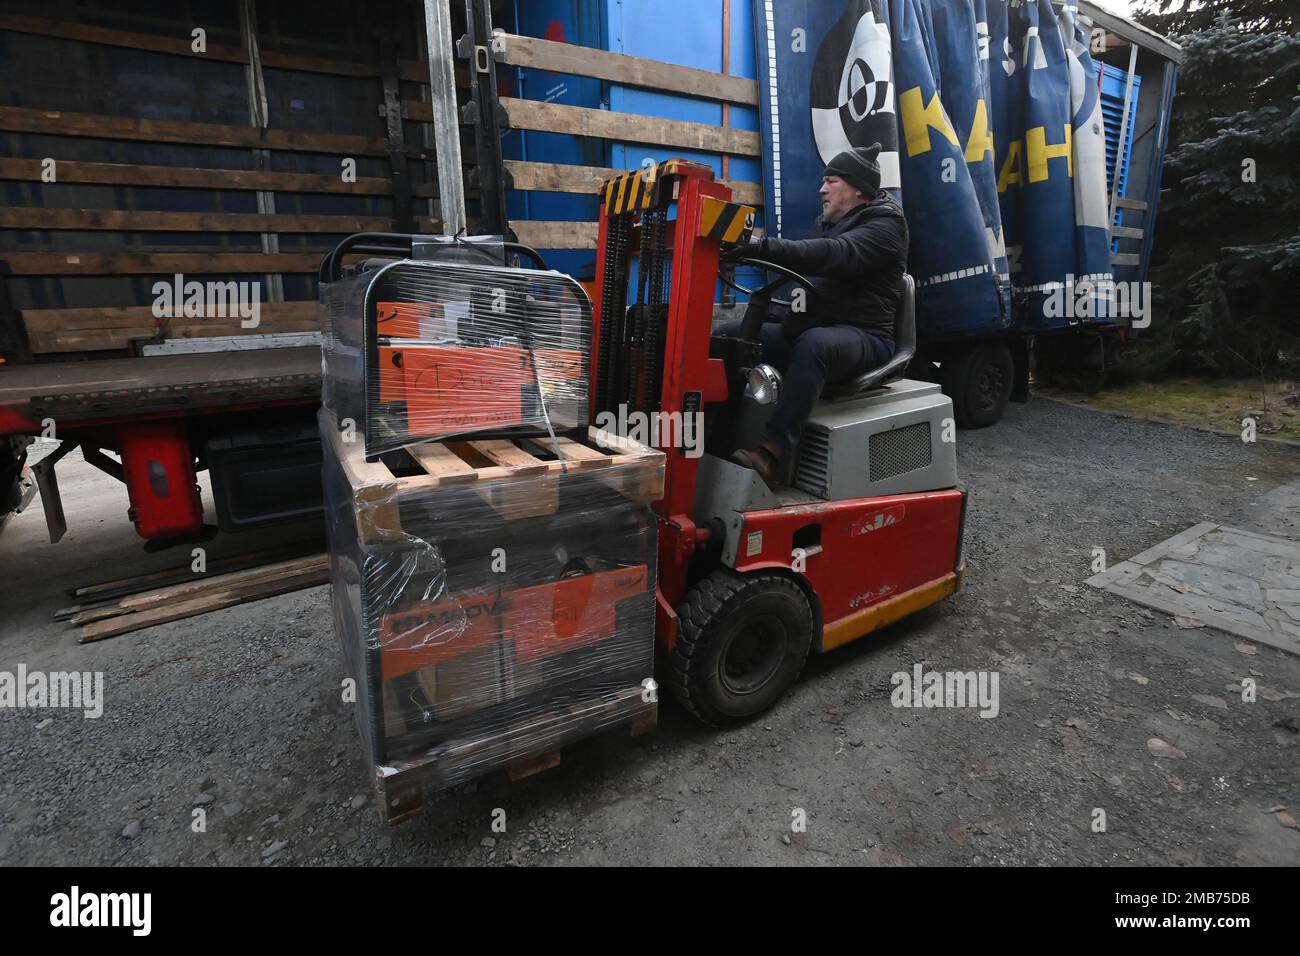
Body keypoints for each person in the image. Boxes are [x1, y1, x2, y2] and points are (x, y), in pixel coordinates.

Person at [720, 142, 908, 484]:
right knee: (732, 336)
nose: (822, 189)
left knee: (814, 344)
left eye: (832, 181)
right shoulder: (833, 225)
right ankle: (717, 432)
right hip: (819, 325)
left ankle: (772, 453)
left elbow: (834, 254)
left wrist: (763, 245)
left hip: (865, 335)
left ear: (859, 188)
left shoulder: (885, 227)